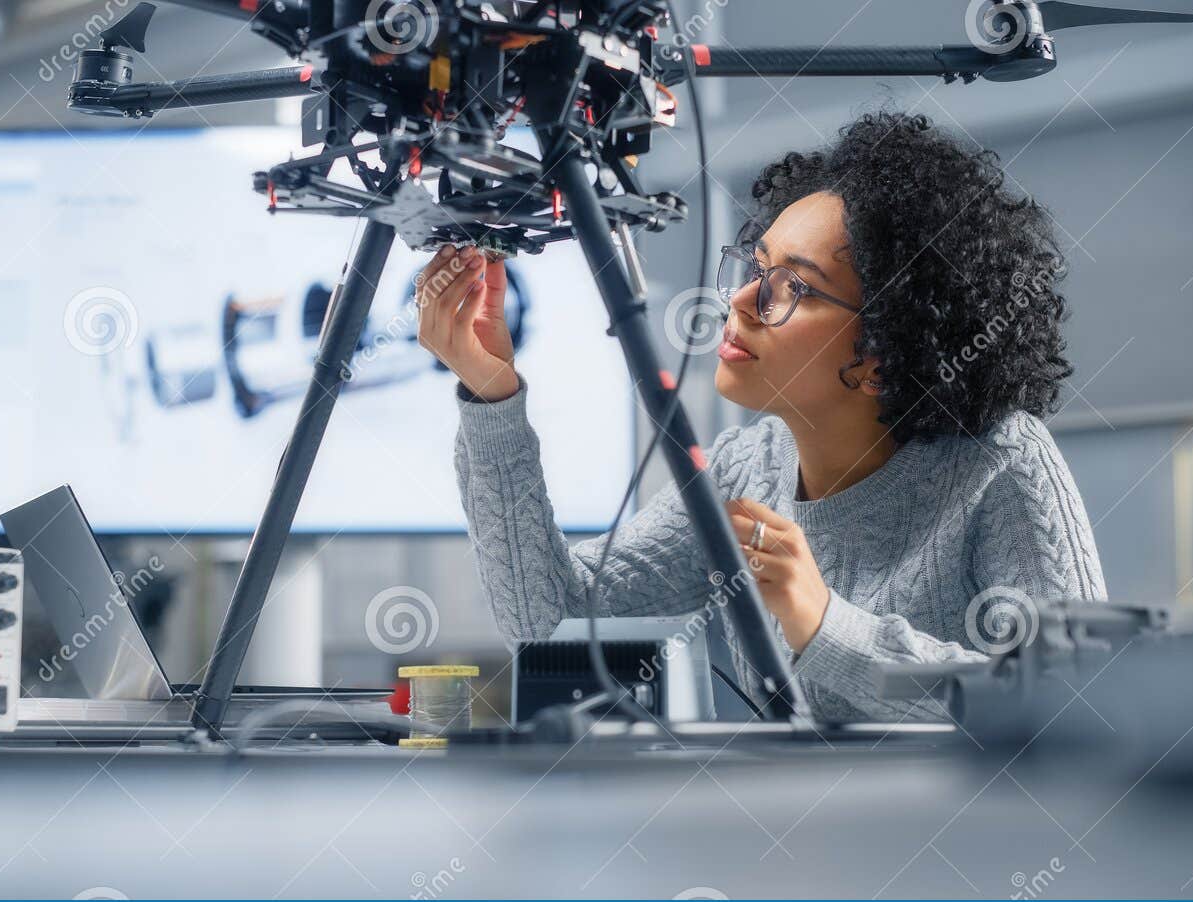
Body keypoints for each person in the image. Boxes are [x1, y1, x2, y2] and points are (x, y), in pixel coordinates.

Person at [416, 111, 1105, 722]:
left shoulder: (1001, 462)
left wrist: (825, 627)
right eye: (756, 267)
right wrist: (492, 397)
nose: (740, 301)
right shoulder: (749, 469)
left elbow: (1072, 698)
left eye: (791, 289)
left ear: (883, 356)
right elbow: (549, 619)